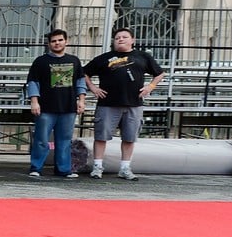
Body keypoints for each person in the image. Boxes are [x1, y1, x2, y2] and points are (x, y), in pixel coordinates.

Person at [83, 27, 166, 181]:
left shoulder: (142, 57)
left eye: (124, 37)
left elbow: (160, 73)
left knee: (129, 138)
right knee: (101, 136)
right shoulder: (104, 58)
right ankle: (97, 167)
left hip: (134, 104)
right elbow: (84, 73)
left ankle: (125, 168)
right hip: (107, 104)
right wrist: (93, 88)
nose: (120, 39)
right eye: (117, 37)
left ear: (132, 40)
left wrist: (150, 87)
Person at [26, 28, 87, 179]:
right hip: (46, 107)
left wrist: (81, 100)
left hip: (68, 107)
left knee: (65, 140)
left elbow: (80, 82)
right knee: (41, 139)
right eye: (53, 41)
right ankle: (36, 167)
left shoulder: (74, 61)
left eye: (60, 40)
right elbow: (33, 82)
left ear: (66, 41)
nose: (57, 43)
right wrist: (34, 101)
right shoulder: (40, 61)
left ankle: (64, 169)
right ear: (49, 44)